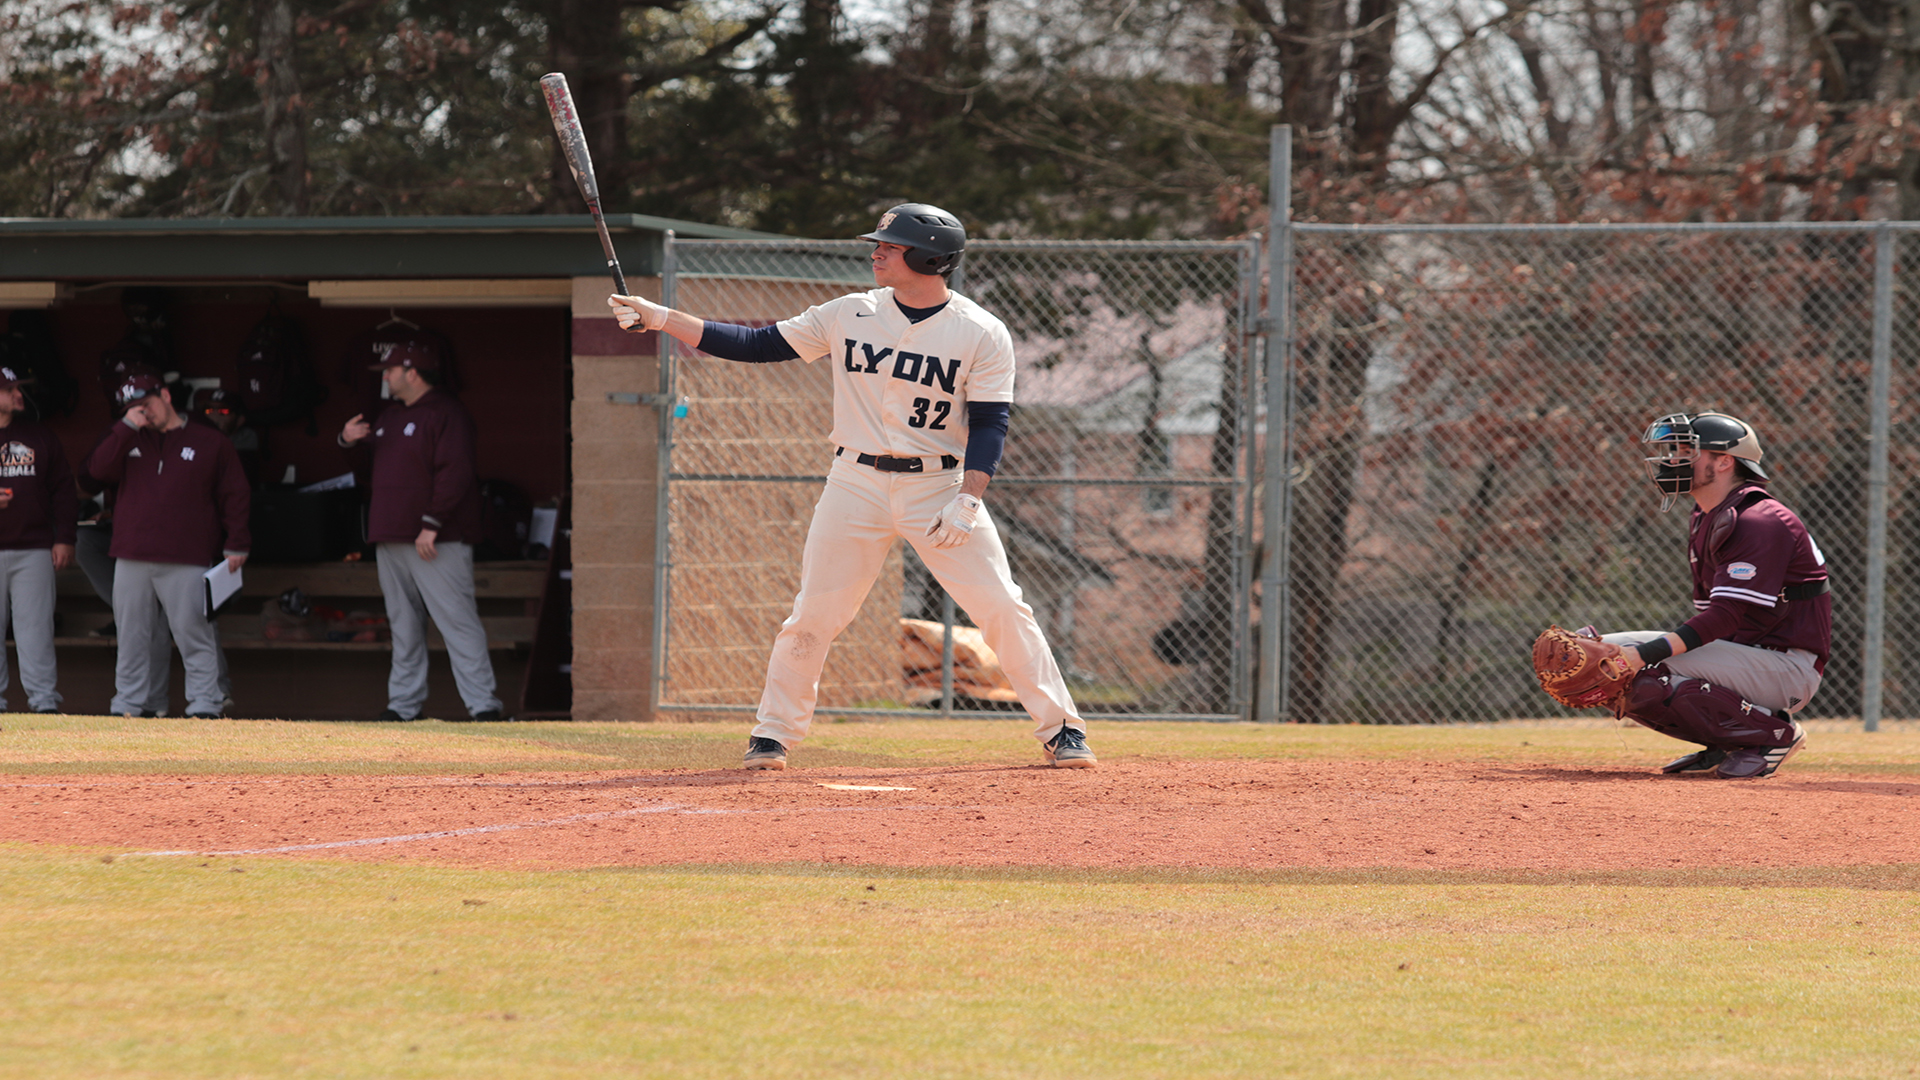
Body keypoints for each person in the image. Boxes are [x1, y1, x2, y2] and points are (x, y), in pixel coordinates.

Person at [608, 202, 1097, 770]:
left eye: (891, 246)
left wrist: (970, 496)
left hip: (938, 487)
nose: (877, 253)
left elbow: (991, 423)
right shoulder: (849, 313)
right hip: (855, 482)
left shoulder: (981, 331)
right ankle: (773, 735)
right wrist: (660, 316)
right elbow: (756, 344)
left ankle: (1062, 729)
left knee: (1003, 610)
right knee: (813, 615)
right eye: (880, 244)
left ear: (930, 258)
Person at [1603, 412, 1831, 779]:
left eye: (1686, 451)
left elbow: (1725, 616)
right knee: (1601, 658)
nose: (1673, 460)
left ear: (1724, 462)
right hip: (1752, 657)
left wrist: (1641, 654)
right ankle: (1730, 739)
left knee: (1627, 665)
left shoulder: (1758, 519)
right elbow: (1716, 619)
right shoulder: (1707, 514)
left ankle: (1774, 734)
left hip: (1788, 667)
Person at [338, 343, 506, 723]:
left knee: (457, 621)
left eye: (391, 369)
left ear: (412, 373)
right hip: (390, 535)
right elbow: (368, 472)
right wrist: (349, 441)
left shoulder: (448, 414)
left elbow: (456, 472)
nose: (385, 376)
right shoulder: (389, 417)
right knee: (403, 625)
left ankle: (483, 706)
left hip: (435, 540)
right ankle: (403, 705)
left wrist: (432, 522)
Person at [86, 373, 250, 719]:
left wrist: (237, 542)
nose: (142, 413)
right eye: (133, 408)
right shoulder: (127, 436)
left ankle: (205, 704)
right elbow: (95, 472)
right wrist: (126, 427)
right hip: (131, 553)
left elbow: (234, 494)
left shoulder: (209, 440)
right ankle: (129, 704)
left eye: (146, 404)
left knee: (194, 631)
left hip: (186, 553)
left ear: (165, 395)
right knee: (132, 635)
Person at [0, 365, 77, 713]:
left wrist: (65, 538)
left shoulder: (40, 436)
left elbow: (64, 490)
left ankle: (44, 703)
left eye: (18, 386)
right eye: (10, 388)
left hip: (33, 547)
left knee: (36, 631)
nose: (19, 394)